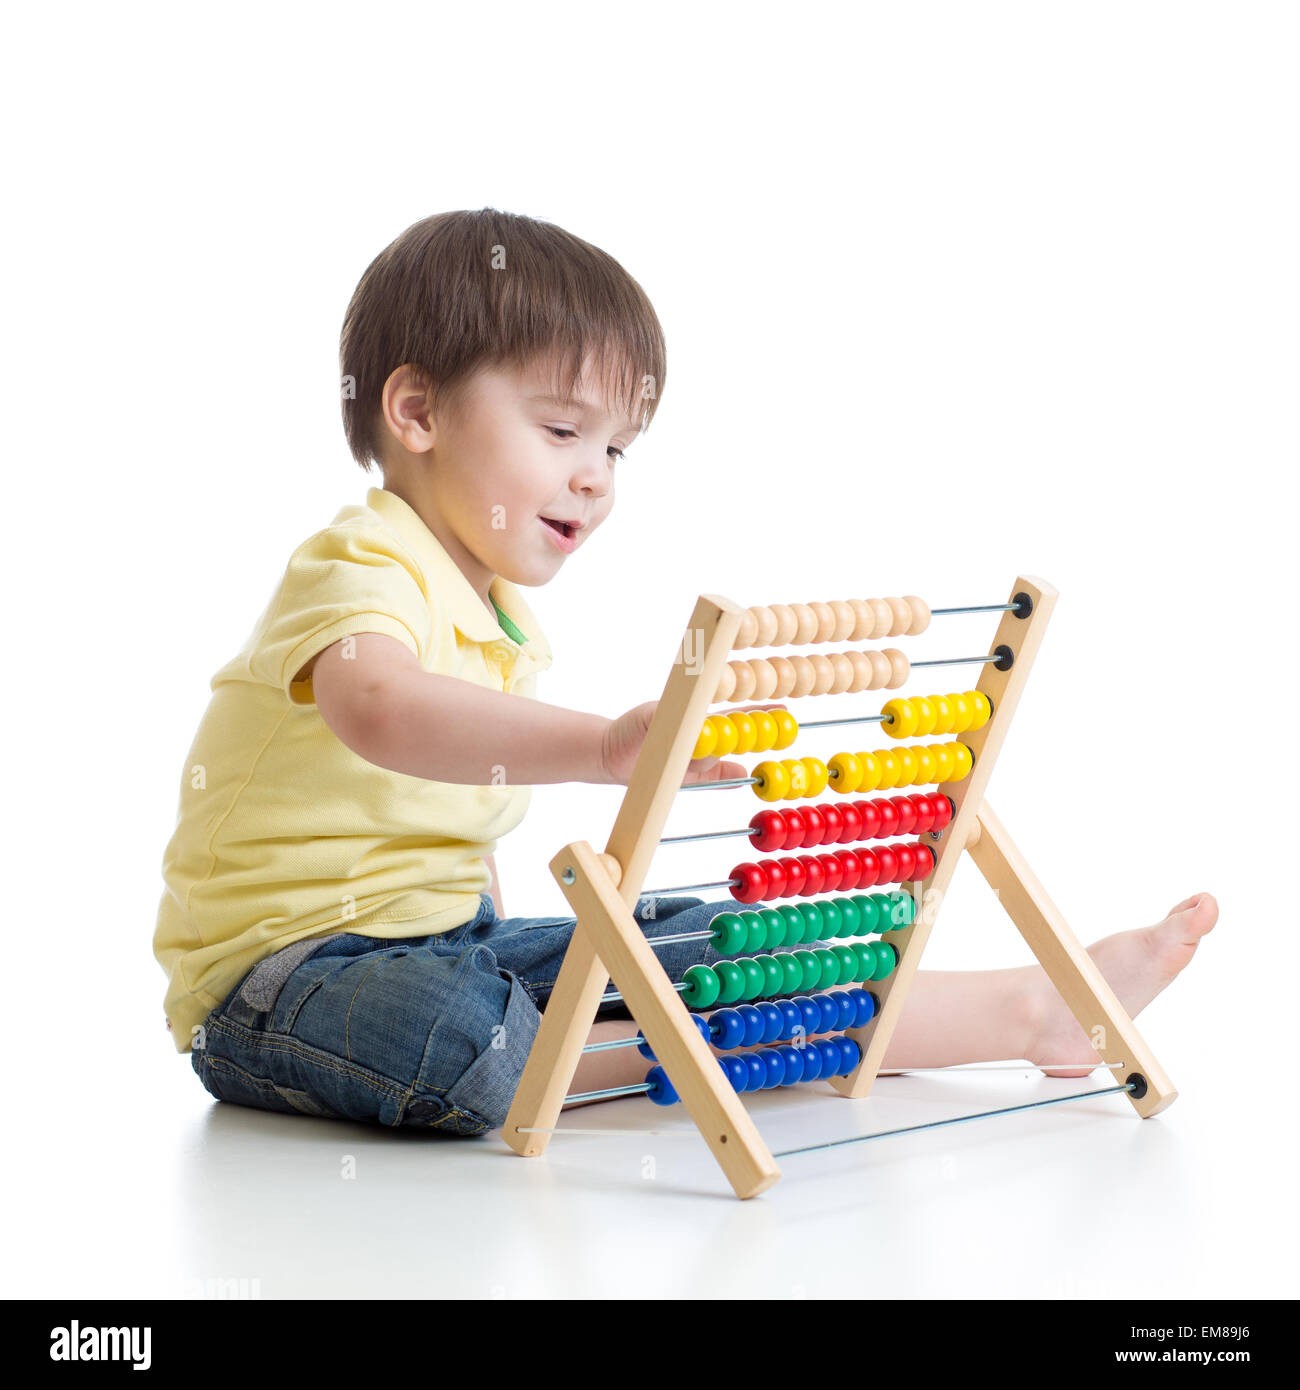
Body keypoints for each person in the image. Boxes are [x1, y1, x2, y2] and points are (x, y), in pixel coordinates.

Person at [154, 208, 1217, 1136]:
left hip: (446, 943)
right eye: (563, 428)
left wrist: (523, 930)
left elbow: (445, 827)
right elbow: (378, 709)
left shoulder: (503, 616)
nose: (594, 476)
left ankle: (1034, 1008)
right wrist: (602, 748)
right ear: (419, 413)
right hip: (277, 987)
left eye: (617, 449)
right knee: (463, 1034)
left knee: (715, 942)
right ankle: (646, 1058)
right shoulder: (362, 561)